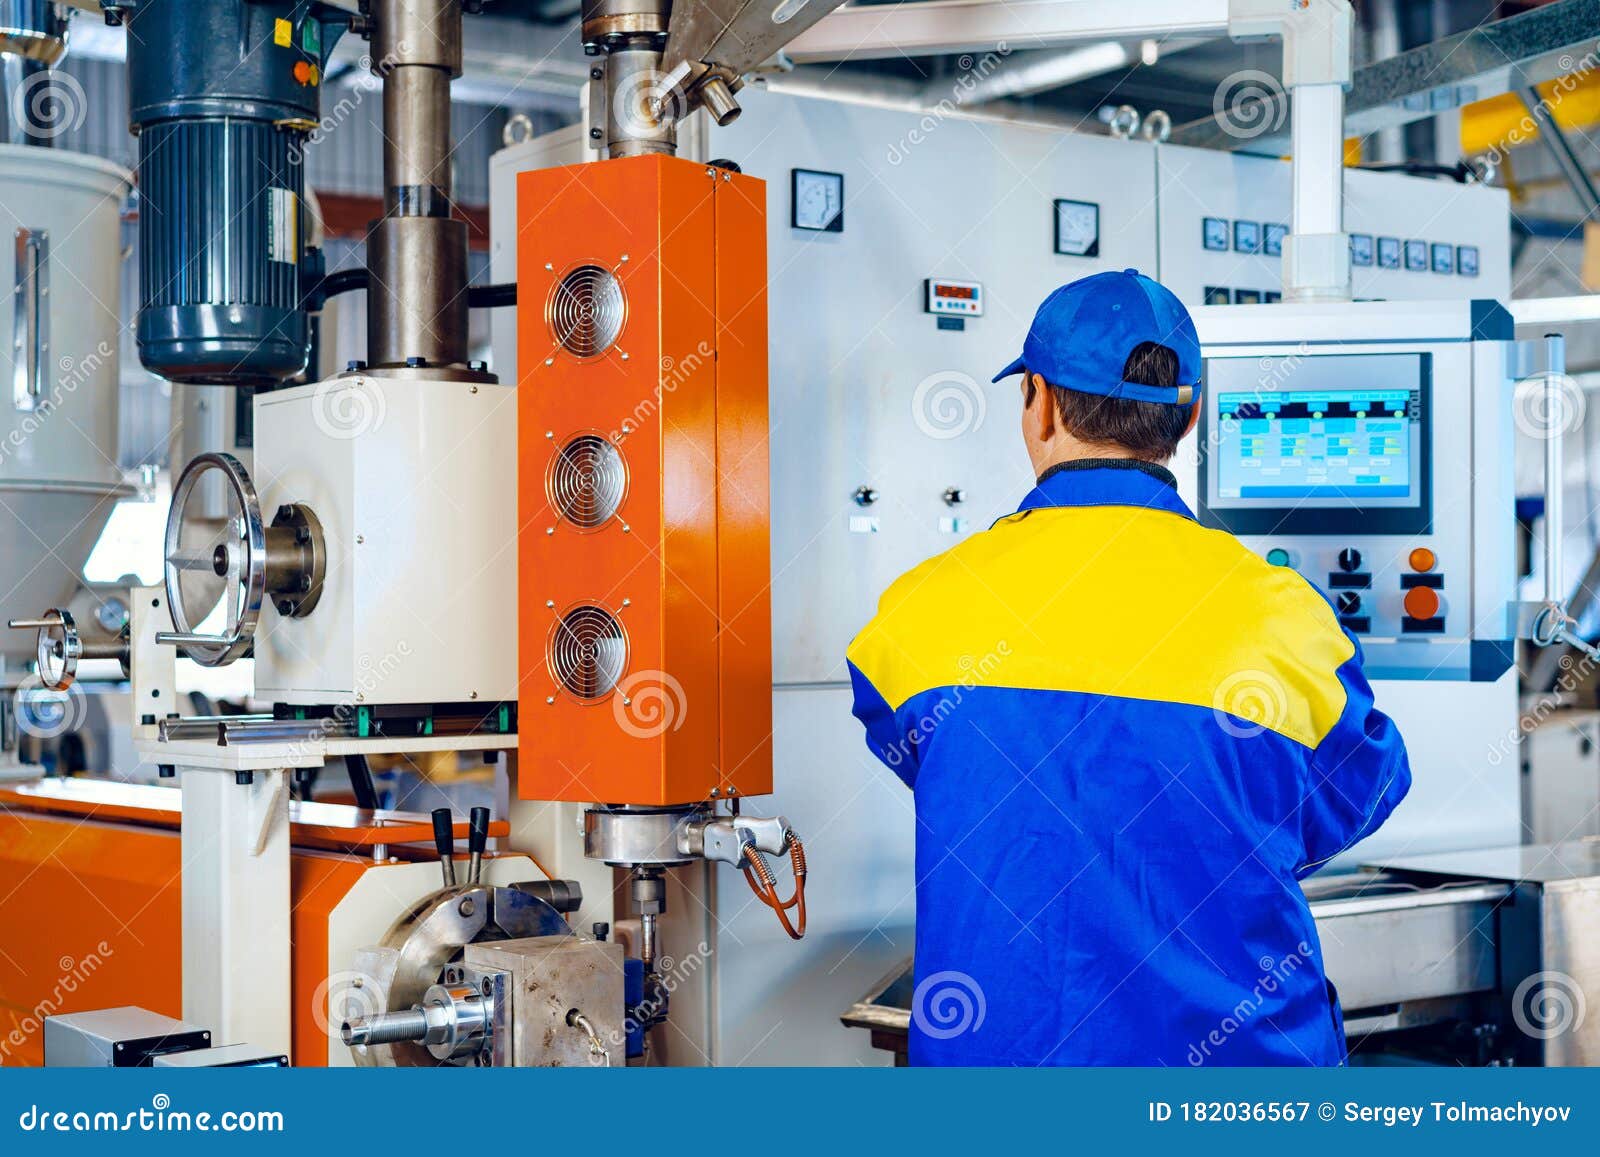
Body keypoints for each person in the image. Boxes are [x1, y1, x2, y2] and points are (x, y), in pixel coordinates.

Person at [845, 269, 1411, 1066]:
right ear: (1191, 412)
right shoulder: (1280, 613)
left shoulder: (920, 610)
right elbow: (1360, 792)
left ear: (1038, 403)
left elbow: (934, 762)